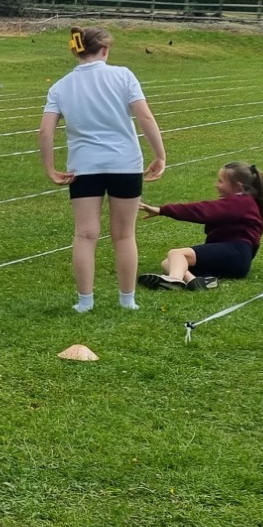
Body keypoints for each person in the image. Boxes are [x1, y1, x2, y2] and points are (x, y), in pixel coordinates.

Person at [39, 25, 167, 313]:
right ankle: (127, 299)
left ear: (77, 50)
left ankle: (85, 302)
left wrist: (50, 167)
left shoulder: (60, 86)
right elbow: (144, 116)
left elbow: (46, 132)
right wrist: (160, 154)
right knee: (124, 234)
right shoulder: (123, 75)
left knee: (85, 235)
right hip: (125, 164)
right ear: (105, 49)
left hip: (84, 167)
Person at [137, 163, 263, 290]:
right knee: (168, 262)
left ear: (237, 186)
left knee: (176, 253)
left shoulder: (241, 202)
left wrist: (162, 210)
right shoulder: (242, 203)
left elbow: (202, 210)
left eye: (220, 181)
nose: (216, 185)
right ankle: (193, 281)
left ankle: (173, 279)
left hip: (234, 252)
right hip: (238, 259)